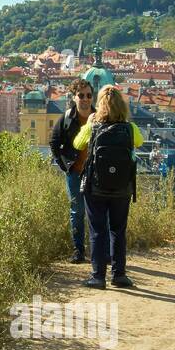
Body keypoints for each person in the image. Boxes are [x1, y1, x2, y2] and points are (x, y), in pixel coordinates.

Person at [72, 85, 142, 289]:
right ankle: (119, 274)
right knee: (118, 230)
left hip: (96, 186)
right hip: (122, 187)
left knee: (97, 231)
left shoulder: (93, 126)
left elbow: (77, 144)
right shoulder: (130, 128)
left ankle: (98, 276)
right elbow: (140, 141)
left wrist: (90, 123)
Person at [49, 79, 94, 263]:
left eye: (89, 95)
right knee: (77, 211)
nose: (85, 99)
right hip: (74, 172)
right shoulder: (67, 118)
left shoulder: (98, 117)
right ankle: (78, 251)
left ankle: (98, 251)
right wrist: (64, 165)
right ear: (74, 97)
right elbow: (54, 142)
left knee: (96, 213)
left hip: (94, 173)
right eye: (81, 95)